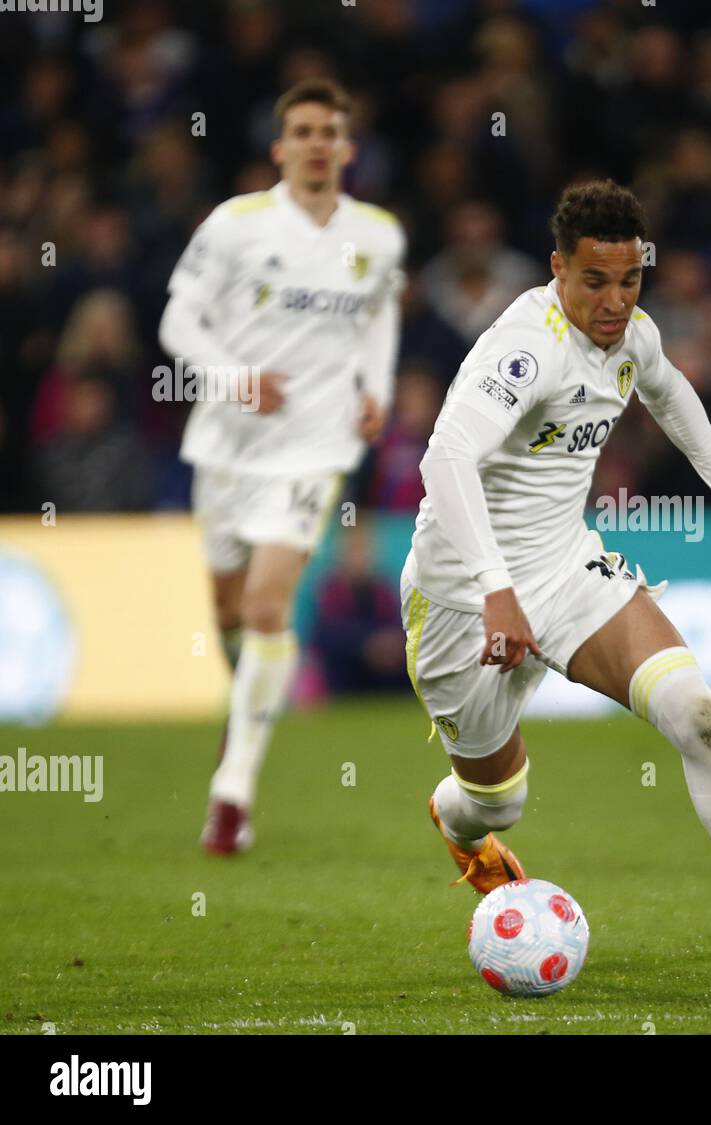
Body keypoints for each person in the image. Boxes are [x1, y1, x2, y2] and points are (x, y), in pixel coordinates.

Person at [403, 179, 711, 972]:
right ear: (556, 268)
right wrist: (496, 590)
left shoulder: (632, 334)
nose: (614, 301)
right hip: (466, 595)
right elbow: (445, 458)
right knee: (501, 800)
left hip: (568, 571)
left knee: (696, 713)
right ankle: (456, 819)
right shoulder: (524, 350)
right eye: (595, 281)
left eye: (630, 280)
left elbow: (670, 396)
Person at [159, 79, 405, 854]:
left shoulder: (379, 235)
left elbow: (380, 312)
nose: (316, 143)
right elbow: (176, 318)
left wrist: (377, 388)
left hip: (314, 449)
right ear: (280, 146)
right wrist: (235, 380)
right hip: (228, 448)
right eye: (302, 130)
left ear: (347, 146)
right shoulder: (236, 226)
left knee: (269, 607)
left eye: (330, 131)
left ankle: (232, 793)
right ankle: (245, 715)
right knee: (230, 613)